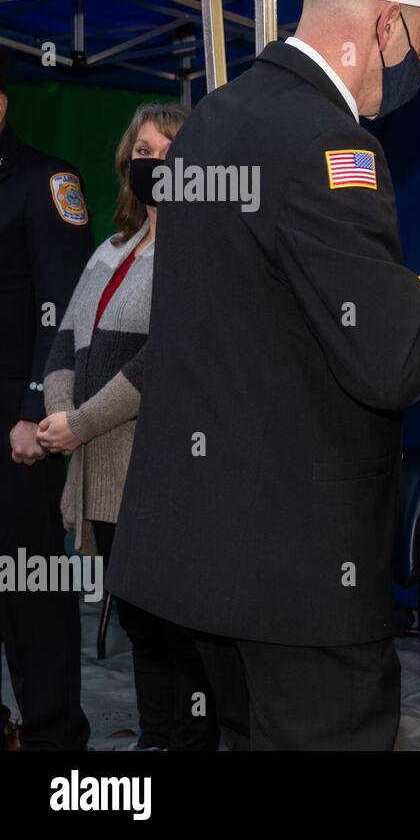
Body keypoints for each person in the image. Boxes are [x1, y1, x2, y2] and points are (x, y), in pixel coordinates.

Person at [106, 0, 420, 750]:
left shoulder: (215, 118)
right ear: (383, 24)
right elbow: (392, 358)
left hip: (191, 558)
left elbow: (268, 312)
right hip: (294, 573)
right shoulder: (334, 146)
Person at [38, 102, 221, 751]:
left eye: (167, 151)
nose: (153, 163)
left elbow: (163, 358)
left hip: (162, 470)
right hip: (103, 470)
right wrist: (60, 415)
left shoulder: (202, 250)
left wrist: (79, 424)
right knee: (141, 621)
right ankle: (154, 741)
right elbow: (64, 340)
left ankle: (192, 742)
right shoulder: (110, 249)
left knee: (179, 624)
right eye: (143, 152)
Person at [0, 51, 93, 750]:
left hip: (19, 429)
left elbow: (65, 307)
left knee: (34, 591)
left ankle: (55, 741)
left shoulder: (44, 181)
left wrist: (37, 410)